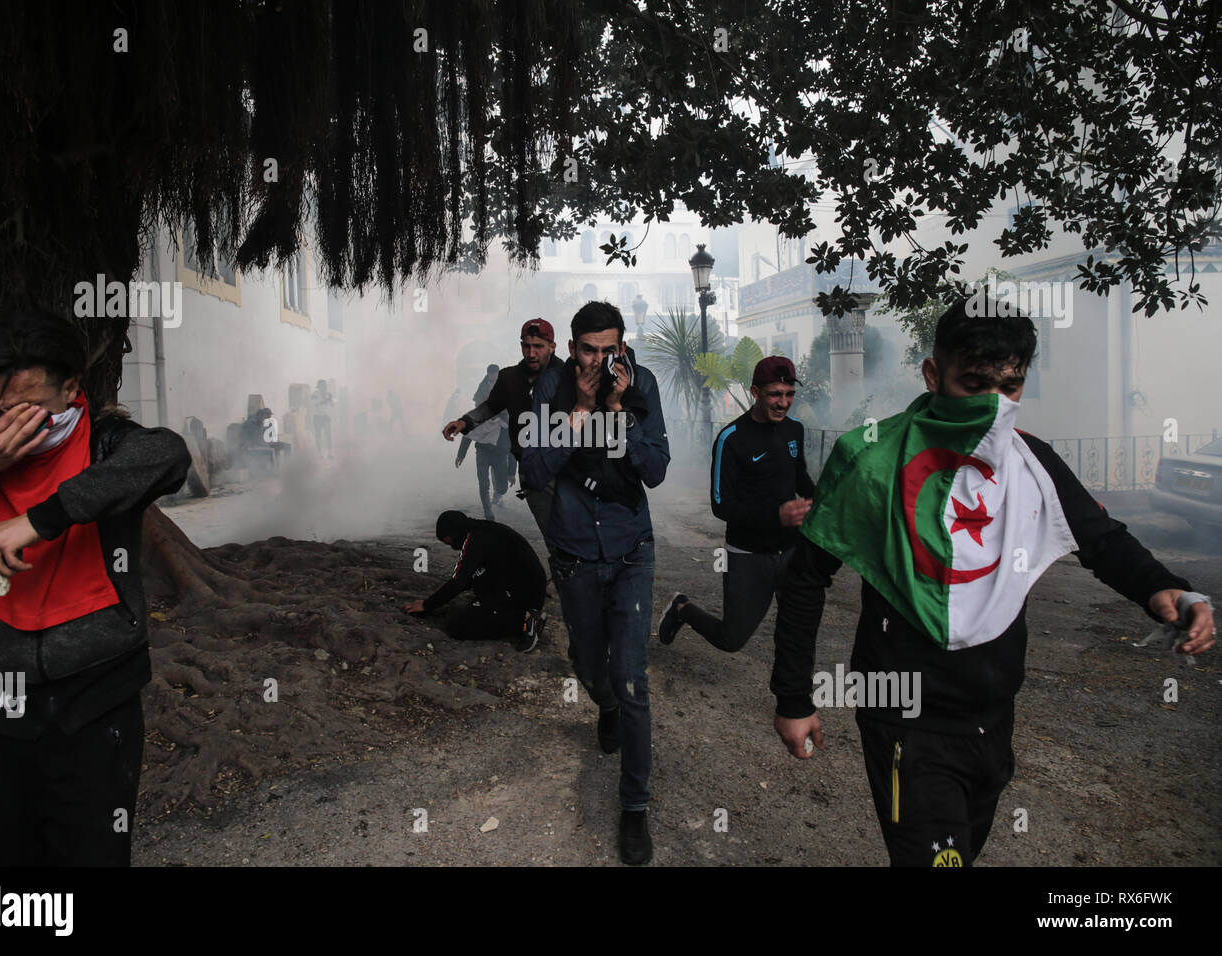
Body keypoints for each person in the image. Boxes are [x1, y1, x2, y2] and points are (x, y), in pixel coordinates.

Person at [771, 298, 1215, 867]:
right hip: (905, 712)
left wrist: (1166, 591)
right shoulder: (872, 460)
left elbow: (1101, 539)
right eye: (974, 384)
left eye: (1008, 388)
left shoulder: (1033, 464)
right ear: (933, 375)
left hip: (993, 713)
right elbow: (807, 578)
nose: (991, 404)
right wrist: (793, 697)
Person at [0, 311, 191, 866]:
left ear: (70, 389)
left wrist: (41, 519)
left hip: (99, 696)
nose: (11, 428)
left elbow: (167, 456)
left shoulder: (105, 442)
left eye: (30, 410)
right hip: (1, 696)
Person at [520, 301, 669, 865]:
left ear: (623, 348)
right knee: (588, 664)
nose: (599, 360)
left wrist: (619, 413)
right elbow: (531, 471)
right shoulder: (552, 387)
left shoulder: (642, 383)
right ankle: (601, 703)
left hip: (633, 548)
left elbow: (655, 468)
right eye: (588, 349)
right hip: (576, 552)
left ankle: (634, 807)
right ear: (572, 347)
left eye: (610, 351)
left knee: (632, 678)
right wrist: (580, 412)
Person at [657, 356, 815, 652]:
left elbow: (800, 478)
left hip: (792, 551)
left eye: (789, 394)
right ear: (755, 393)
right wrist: (776, 515)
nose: (784, 403)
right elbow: (721, 505)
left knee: (797, 632)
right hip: (747, 553)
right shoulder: (731, 438)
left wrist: (823, 499)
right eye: (775, 394)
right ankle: (682, 608)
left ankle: (792, 695)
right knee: (731, 639)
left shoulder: (795, 430)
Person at [443, 319, 563, 539]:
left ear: (552, 346)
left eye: (539, 346)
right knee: (552, 534)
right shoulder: (509, 378)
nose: (532, 353)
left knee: (575, 530)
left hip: (564, 468)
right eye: (527, 346)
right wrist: (464, 422)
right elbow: (490, 406)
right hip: (530, 468)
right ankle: (563, 570)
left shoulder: (568, 377)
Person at [402, 510, 547, 652]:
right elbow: (471, 576)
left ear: (454, 533)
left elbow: (457, 582)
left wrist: (427, 605)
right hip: (531, 589)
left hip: (521, 593)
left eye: (450, 542)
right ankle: (521, 612)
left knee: (458, 624)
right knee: (477, 591)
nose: (453, 547)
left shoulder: (474, 540)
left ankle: (523, 621)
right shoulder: (488, 529)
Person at [454, 365, 516, 521]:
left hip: (500, 453)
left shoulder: (507, 412)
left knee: (501, 486)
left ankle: (498, 493)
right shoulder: (481, 401)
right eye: (490, 380)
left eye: (494, 380)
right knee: (483, 484)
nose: (491, 384)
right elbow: (469, 430)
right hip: (482, 451)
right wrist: (461, 454)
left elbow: (514, 443)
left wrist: (511, 472)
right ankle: (488, 513)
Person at [310, 379, 334, 458]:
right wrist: (322, 400)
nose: (324, 388)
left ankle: (330, 453)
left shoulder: (329, 394)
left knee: (328, 435)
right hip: (317, 417)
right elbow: (312, 403)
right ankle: (320, 453)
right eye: (323, 386)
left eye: (325, 386)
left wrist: (330, 400)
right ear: (319, 387)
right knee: (318, 436)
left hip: (326, 416)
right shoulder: (314, 394)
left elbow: (332, 405)